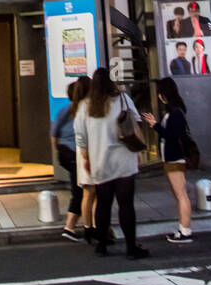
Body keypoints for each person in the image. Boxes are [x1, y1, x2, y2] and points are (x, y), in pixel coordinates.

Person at [74, 68, 150, 260]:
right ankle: (131, 247)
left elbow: (80, 136)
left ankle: (101, 245)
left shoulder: (86, 106)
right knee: (126, 205)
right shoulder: (122, 100)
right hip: (124, 160)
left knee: (103, 204)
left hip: (100, 161)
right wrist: (138, 151)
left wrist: (86, 157)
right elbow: (136, 121)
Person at [143, 77, 193, 244]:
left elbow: (172, 136)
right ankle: (183, 228)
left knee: (181, 194)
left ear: (164, 95)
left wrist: (156, 126)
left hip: (175, 157)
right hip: (172, 157)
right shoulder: (174, 111)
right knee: (179, 194)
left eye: (160, 93)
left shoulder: (175, 113)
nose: (158, 97)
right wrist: (156, 124)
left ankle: (185, 231)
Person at [51, 75, 92, 242]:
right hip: (77, 153)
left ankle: (84, 223)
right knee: (80, 191)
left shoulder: (65, 110)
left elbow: (54, 133)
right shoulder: (84, 110)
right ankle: (70, 226)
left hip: (66, 152)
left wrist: (59, 150)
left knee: (81, 189)